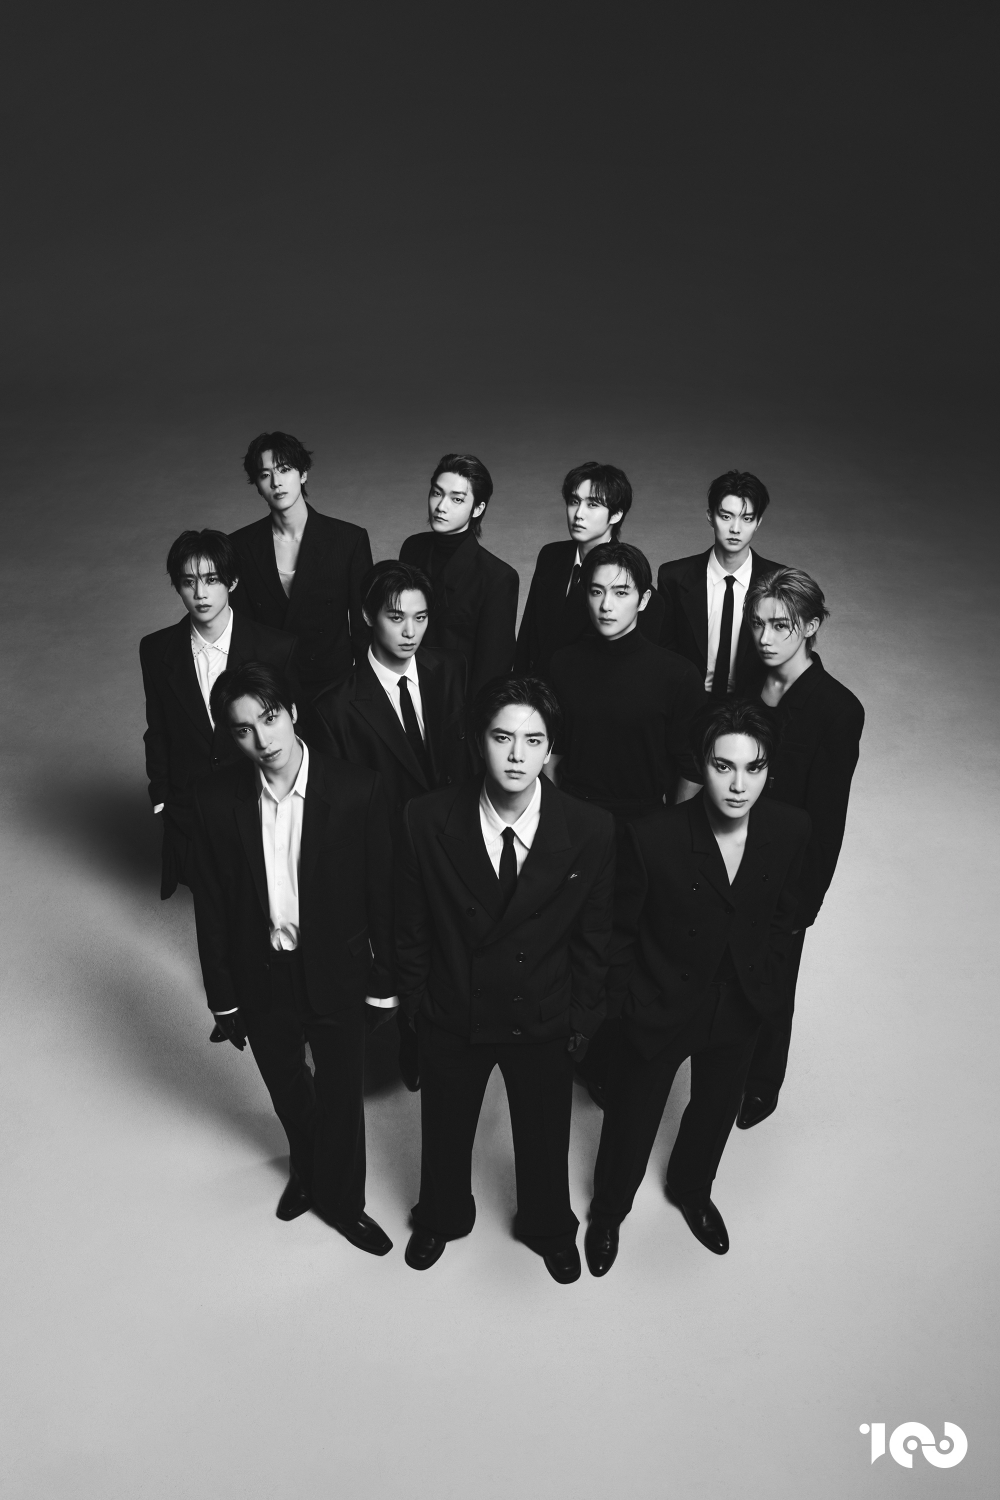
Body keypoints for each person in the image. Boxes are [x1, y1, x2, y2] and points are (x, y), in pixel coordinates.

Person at [395, 676, 616, 1283]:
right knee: (445, 1129)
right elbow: (409, 926)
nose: (517, 755)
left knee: (545, 1135)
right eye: (502, 738)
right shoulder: (425, 818)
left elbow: (596, 936)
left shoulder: (591, 828)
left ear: (551, 749)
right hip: (453, 1009)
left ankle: (548, 1227)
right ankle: (441, 1216)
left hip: (542, 1011)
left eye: (533, 740)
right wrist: (416, 1006)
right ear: (477, 742)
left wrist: (581, 1017)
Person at [584, 700, 809, 1276]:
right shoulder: (651, 836)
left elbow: (784, 918)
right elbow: (619, 934)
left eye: (754, 768)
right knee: (632, 1119)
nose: (738, 785)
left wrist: (765, 985)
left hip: (739, 1003)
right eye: (723, 766)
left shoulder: (789, 829)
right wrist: (627, 1006)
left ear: (769, 770)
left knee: (714, 1112)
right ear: (700, 764)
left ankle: (692, 1190)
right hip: (661, 1003)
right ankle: (608, 1212)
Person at [192, 662, 398, 1255]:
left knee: (341, 1096)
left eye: (270, 717)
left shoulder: (358, 790)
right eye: (244, 729)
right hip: (262, 976)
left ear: (293, 713)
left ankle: (344, 1203)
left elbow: (384, 895)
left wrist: (385, 982)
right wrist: (222, 996)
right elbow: (212, 905)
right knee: (287, 1087)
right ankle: (307, 1170)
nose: (263, 739)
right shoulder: (215, 800)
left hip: (336, 971)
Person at [312, 558, 477, 1091]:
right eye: (396, 617)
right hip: (389, 855)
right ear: (367, 616)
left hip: (456, 836)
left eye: (421, 618)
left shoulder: (449, 669)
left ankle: (454, 1036)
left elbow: (465, 755)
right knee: (409, 953)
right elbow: (338, 811)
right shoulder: (334, 707)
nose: (410, 632)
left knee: (462, 946)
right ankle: (414, 1043)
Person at [736, 567, 865, 1129]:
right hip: (729, 851)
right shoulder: (748, 681)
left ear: (810, 627)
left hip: (784, 874)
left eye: (780, 626)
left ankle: (762, 1084)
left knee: (772, 981)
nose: (765, 638)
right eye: (758, 624)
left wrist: (802, 905)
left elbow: (828, 821)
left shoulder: (838, 709)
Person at [140, 529, 296, 899]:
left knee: (264, 899)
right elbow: (157, 729)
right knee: (209, 903)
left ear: (233, 582)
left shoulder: (275, 647)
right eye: (188, 582)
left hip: (260, 800)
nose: (200, 593)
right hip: (191, 806)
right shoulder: (155, 649)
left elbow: (293, 728)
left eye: (211, 580)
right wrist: (161, 798)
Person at [547, 542, 703, 818]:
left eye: (621, 593)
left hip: (646, 821)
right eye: (597, 592)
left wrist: (672, 828)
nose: (606, 605)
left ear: (643, 600)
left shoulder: (678, 675)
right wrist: (556, 814)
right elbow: (551, 753)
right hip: (573, 815)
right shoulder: (562, 664)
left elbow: (691, 768)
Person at [229, 431, 373, 696]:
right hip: (271, 687)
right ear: (257, 485)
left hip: (334, 686)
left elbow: (364, 628)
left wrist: (366, 692)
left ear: (303, 473)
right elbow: (242, 630)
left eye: (284, 470)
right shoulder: (240, 546)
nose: (276, 482)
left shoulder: (348, 540)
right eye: (265, 474)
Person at [514, 461, 664, 681]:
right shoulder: (551, 556)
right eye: (574, 502)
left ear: (616, 515)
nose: (578, 514)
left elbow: (636, 669)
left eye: (593, 504)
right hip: (531, 691)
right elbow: (528, 635)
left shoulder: (636, 590)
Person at [399, 454, 518, 700]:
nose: (441, 506)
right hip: (404, 692)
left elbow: (493, 668)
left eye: (457, 499)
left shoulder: (497, 577)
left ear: (478, 509)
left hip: (456, 703)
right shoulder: (412, 548)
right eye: (437, 493)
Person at [657, 470, 783, 698]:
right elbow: (664, 651)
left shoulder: (779, 580)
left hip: (752, 707)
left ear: (758, 523)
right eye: (726, 516)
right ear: (710, 516)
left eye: (747, 519)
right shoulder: (673, 577)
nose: (735, 529)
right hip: (690, 702)